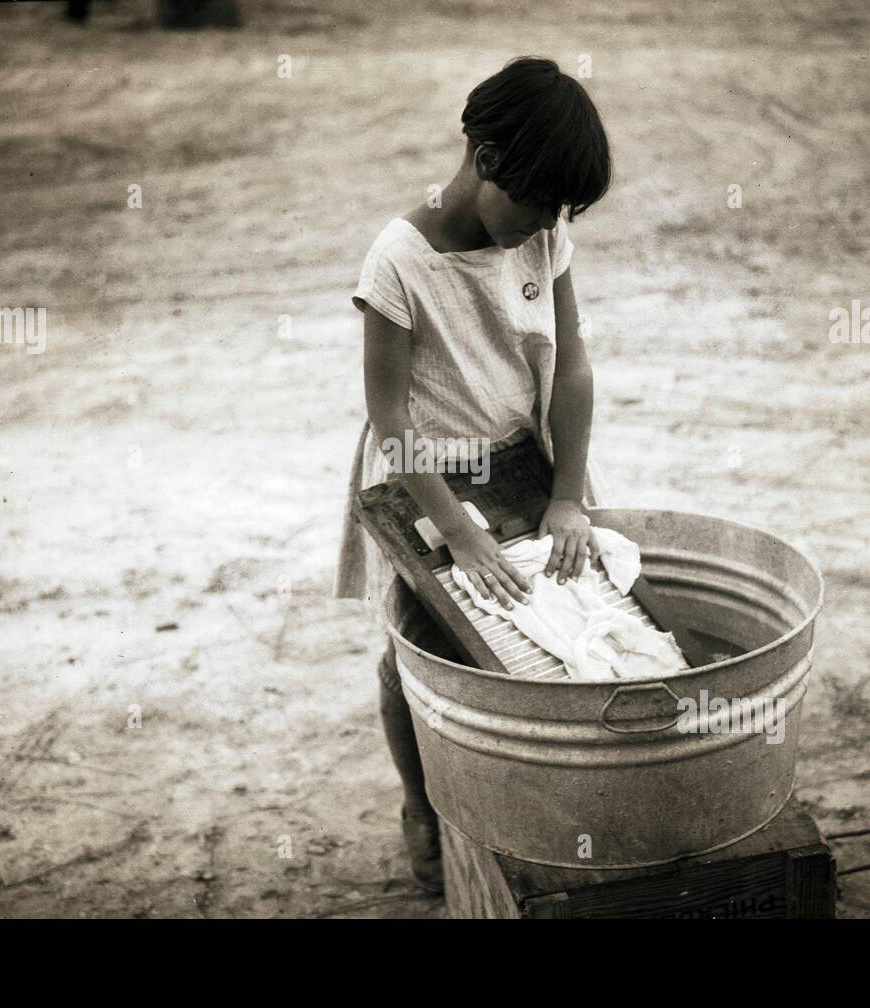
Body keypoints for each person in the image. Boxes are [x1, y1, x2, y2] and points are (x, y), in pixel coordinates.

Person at [334, 56, 613, 893]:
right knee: (419, 654)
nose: (544, 224)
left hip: (528, 466)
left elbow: (571, 370)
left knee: (555, 626)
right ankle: (422, 801)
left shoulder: (544, 236)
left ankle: (535, 799)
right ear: (487, 160)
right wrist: (456, 531)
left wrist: (568, 495)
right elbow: (393, 422)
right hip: (425, 485)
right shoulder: (398, 262)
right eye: (536, 203)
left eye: (558, 212)